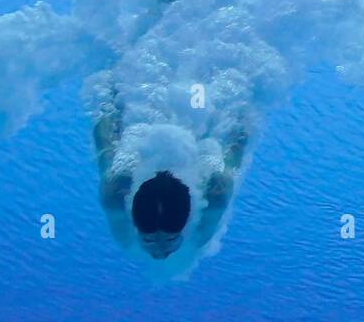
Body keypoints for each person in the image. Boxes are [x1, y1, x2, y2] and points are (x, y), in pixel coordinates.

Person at [93, 97, 249, 259]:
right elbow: (104, 144)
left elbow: (237, 149)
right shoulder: (115, 194)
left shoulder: (216, 195)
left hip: (184, 141)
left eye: (172, 238)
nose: (161, 252)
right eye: (149, 240)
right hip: (161, 140)